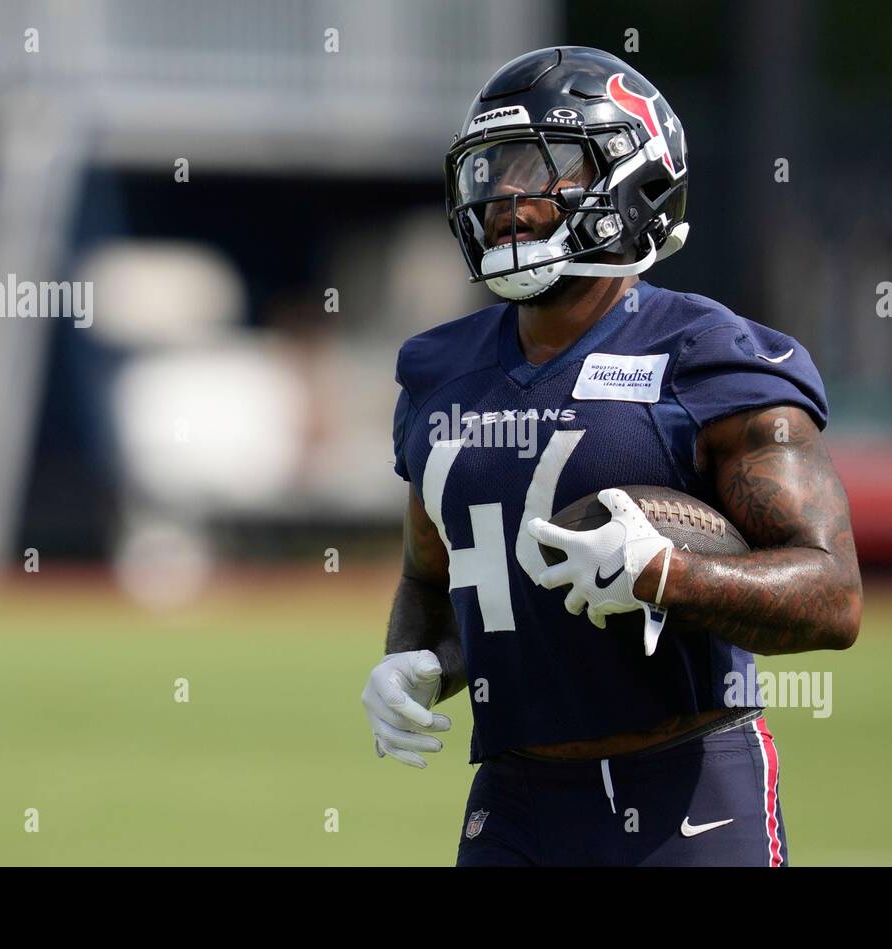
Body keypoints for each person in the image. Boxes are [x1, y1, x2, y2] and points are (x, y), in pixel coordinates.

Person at [361, 46, 861, 866]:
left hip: (689, 796)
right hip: (514, 804)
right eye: (489, 173)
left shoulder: (709, 354)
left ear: (633, 179)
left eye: (541, 170)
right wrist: (415, 663)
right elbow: (433, 576)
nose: (506, 202)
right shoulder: (436, 369)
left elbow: (833, 596)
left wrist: (667, 573)